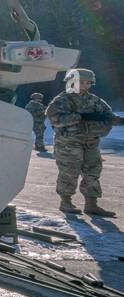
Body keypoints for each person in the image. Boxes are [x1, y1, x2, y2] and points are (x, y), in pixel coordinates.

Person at [47, 68, 122, 216]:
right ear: (71, 81)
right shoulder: (62, 99)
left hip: (91, 142)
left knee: (93, 172)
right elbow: (54, 119)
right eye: (81, 82)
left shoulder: (94, 100)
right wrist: (79, 117)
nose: (85, 86)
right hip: (69, 142)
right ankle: (66, 202)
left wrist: (119, 120)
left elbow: (108, 116)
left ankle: (91, 204)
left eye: (88, 83)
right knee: (69, 171)